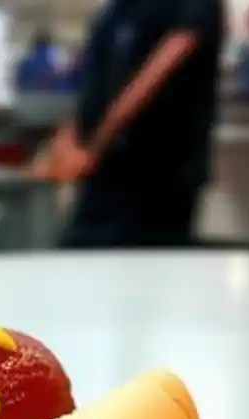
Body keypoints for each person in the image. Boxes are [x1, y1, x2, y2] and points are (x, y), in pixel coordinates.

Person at [40, 0, 226, 248]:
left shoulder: (190, 7)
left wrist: (94, 146)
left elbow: (155, 76)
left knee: (141, 267)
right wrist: (68, 139)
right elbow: (95, 79)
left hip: (157, 172)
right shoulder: (118, 8)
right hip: (105, 170)